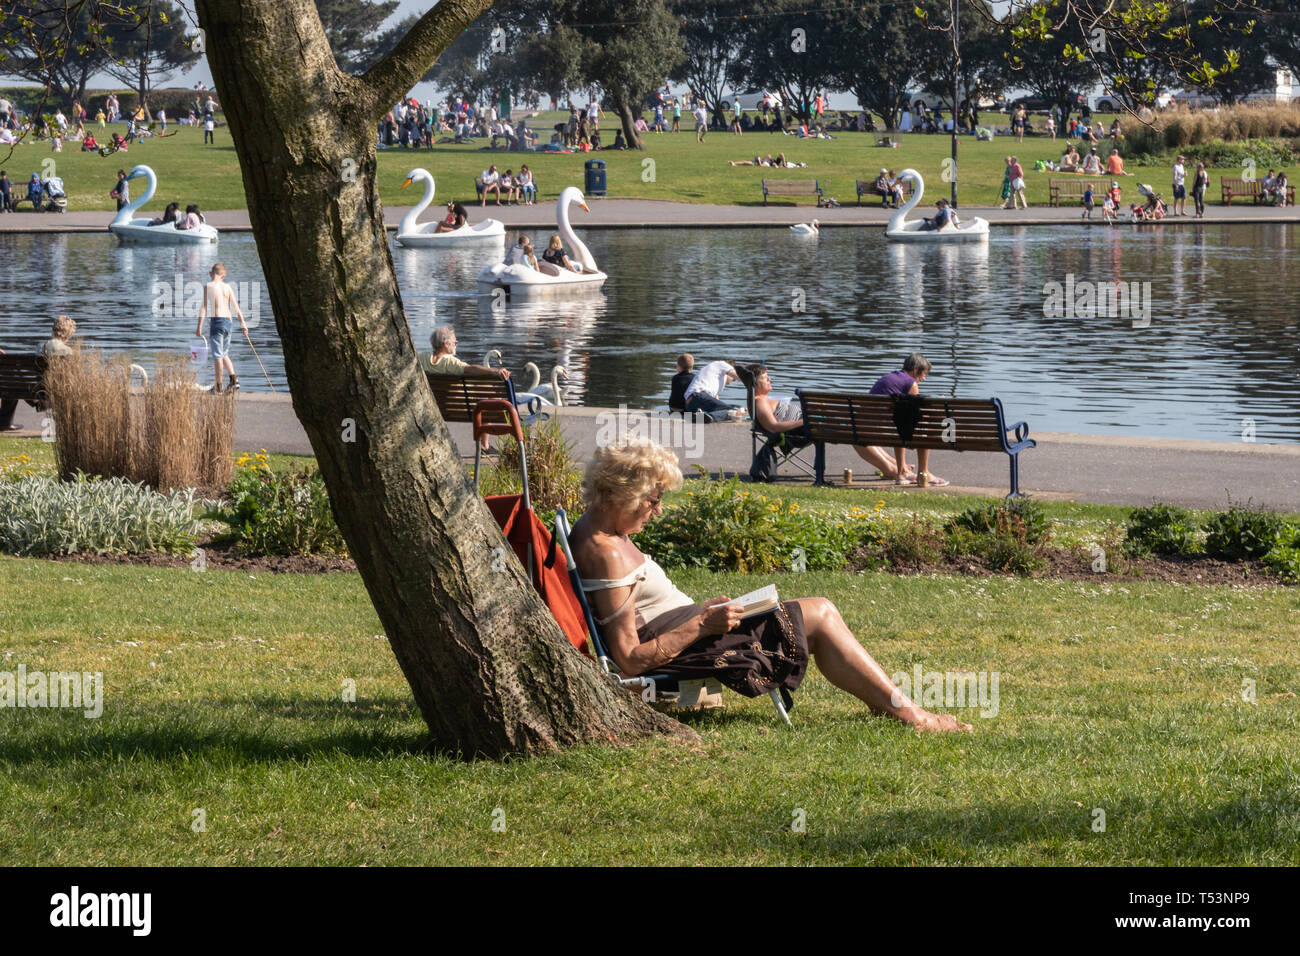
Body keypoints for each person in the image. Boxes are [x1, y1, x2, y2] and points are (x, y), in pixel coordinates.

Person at [569, 441, 971, 732]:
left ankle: (894, 707)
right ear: (624, 492)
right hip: (687, 646)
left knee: (806, 608)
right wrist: (703, 625)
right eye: (652, 500)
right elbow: (630, 660)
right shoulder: (607, 551)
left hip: (690, 630)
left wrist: (700, 614)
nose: (658, 510)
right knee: (820, 613)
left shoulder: (599, 529)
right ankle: (907, 714)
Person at [870, 353, 948, 487]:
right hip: (890, 428)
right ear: (916, 370)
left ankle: (901, 472)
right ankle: (924, 473)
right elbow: (915, 414)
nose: (924, 378)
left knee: (901, 419)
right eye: (924, 374)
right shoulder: (911, 383)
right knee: (922, 425)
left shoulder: (888, 377)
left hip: (866, 427)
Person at [195, 264, 247, 392]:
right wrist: (243, 324)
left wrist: (199, 327)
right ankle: (234, 381)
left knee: (217, 356)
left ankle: (218, 387)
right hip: (229, 322)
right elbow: (236, 307)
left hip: (217, 322)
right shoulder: (228, 287)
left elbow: (204, 308)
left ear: (210, 273)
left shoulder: (208, 286)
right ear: (223, 276)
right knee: (224, 353)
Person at [683, 359, 744, 423]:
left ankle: (697, 417)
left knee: (737, 408)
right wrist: (749, 380)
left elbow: (716, 403)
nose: (731, 382)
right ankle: (706, 417)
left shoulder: (713, 375)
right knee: (734, 411)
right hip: (698, 396)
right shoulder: (723, 364)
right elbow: (739, 377)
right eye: (733, 379)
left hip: (689, 403)